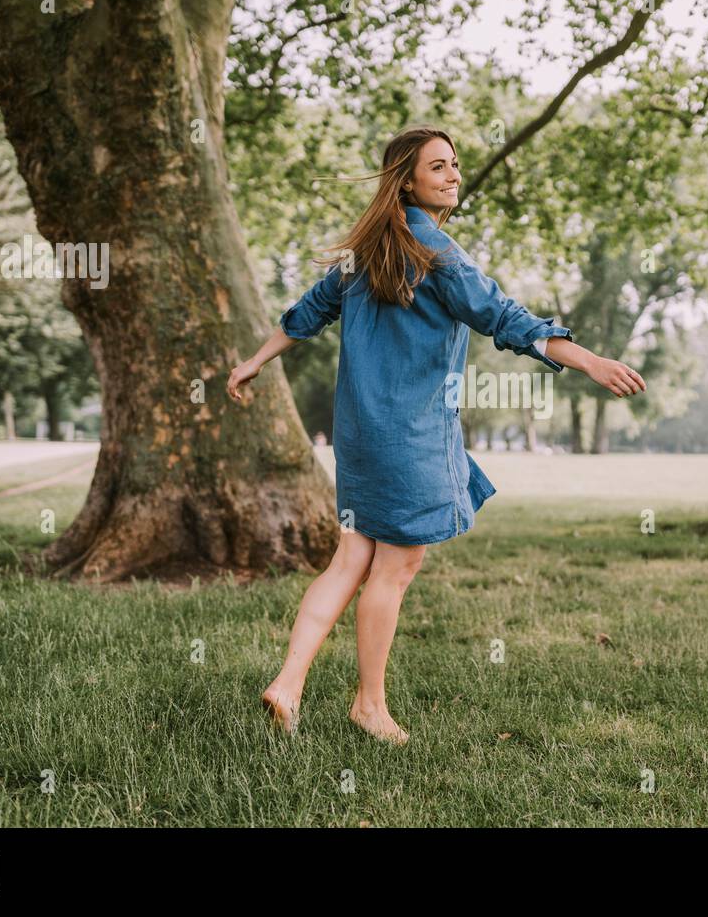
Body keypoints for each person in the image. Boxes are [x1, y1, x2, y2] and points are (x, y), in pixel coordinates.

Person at [227, 125, 645, 744]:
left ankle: (288, 684)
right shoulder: (439, 254)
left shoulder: (365, 251)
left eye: (454, 165)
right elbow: (504, 318)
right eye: (439, 166)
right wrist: (589, 360)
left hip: (360, 437)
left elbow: (305, 315)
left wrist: (253, 361)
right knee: (396, 567)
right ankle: (369, 706)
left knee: (351, 559)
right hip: (409, 436)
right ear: (409, 180)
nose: (453, 175)